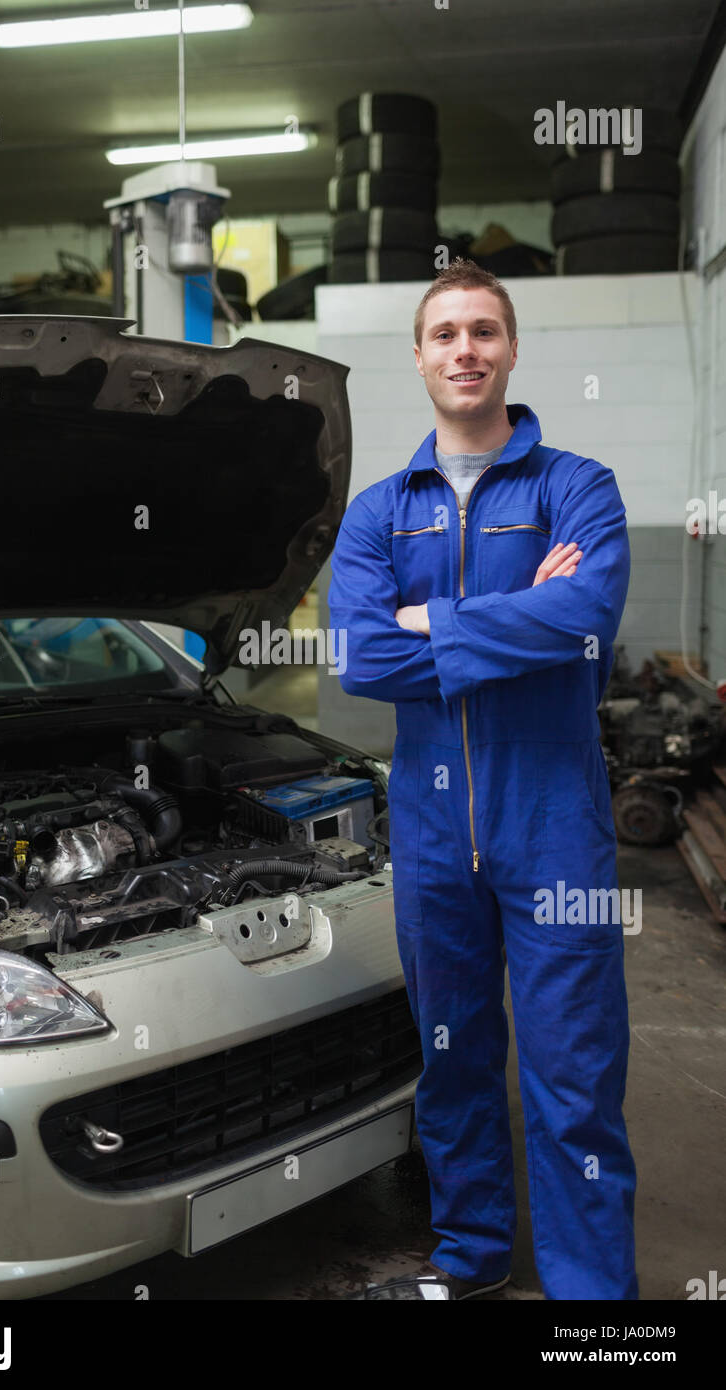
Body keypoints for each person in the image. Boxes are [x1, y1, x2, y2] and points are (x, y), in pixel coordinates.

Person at [328, 259, 638, 1301]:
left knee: (573, 1072)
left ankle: (592, 1298)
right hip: (427, 827)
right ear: (416, 356)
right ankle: (469, 1256)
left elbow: (584, 621)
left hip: (552, 825)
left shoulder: (575, 487)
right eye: (444, 333)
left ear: (508, 350)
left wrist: (435, 620)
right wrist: (516, 626)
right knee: (452, 1061)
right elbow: (365, 660)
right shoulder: (379, 511)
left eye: (483, 331)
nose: (464, 349)